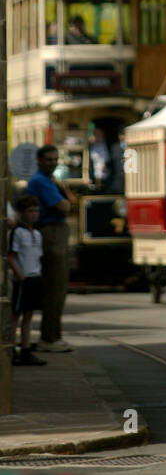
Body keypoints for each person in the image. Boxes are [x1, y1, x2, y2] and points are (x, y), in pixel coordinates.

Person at [25, 144, 73, 352]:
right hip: (52, 232)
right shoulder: (42, 181)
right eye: (49, 160)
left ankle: (52, 336)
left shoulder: (46, 180)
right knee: (56, 286)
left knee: (56, 287)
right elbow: (64, 206)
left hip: (53, 231)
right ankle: (50, 338)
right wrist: (67, 202)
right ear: (39, 161)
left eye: (55, 160)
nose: (53, 163)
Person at [7, 195, 47, 365]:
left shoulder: (37, 234)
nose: (34, 215)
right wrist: (19, 275)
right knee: (16, 315)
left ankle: (25, 349)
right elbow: (11, 256)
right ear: (22, 213)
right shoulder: (18, 232)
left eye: (36, 211)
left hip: (34, 277)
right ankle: (11, 348)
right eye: (30, 211)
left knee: (29, 316)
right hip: (23, 279)